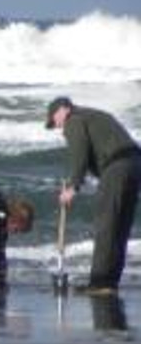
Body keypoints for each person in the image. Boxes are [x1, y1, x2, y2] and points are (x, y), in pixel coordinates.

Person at [46, 96, 141, 294]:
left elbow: (79, 153)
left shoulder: (74, 120)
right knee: (120, 227)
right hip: (135, 164)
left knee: (106, 225)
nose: (58, 127)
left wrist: (73, 187)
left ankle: (99, 283)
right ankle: (110, 282)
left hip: (116, 167)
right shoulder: (94, 116)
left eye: (55, 121)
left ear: (63, 110)